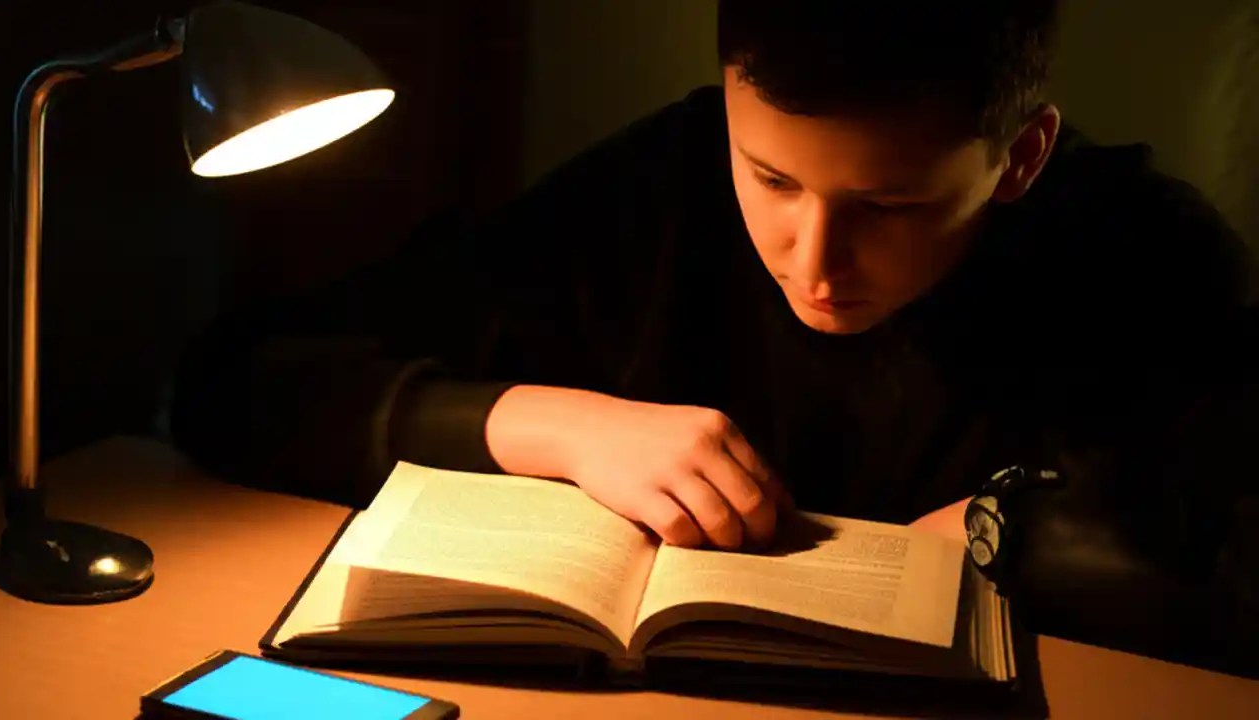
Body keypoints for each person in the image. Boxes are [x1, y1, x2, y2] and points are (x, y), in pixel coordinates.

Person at [171, 1, 1257, 676]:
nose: (815, 262)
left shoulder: (1142, 256)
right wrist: (554, 425)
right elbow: (233, 384)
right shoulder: (662, 189)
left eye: (887, 206)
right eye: (772, 179)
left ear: (1019, 158)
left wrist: (1005, 532)